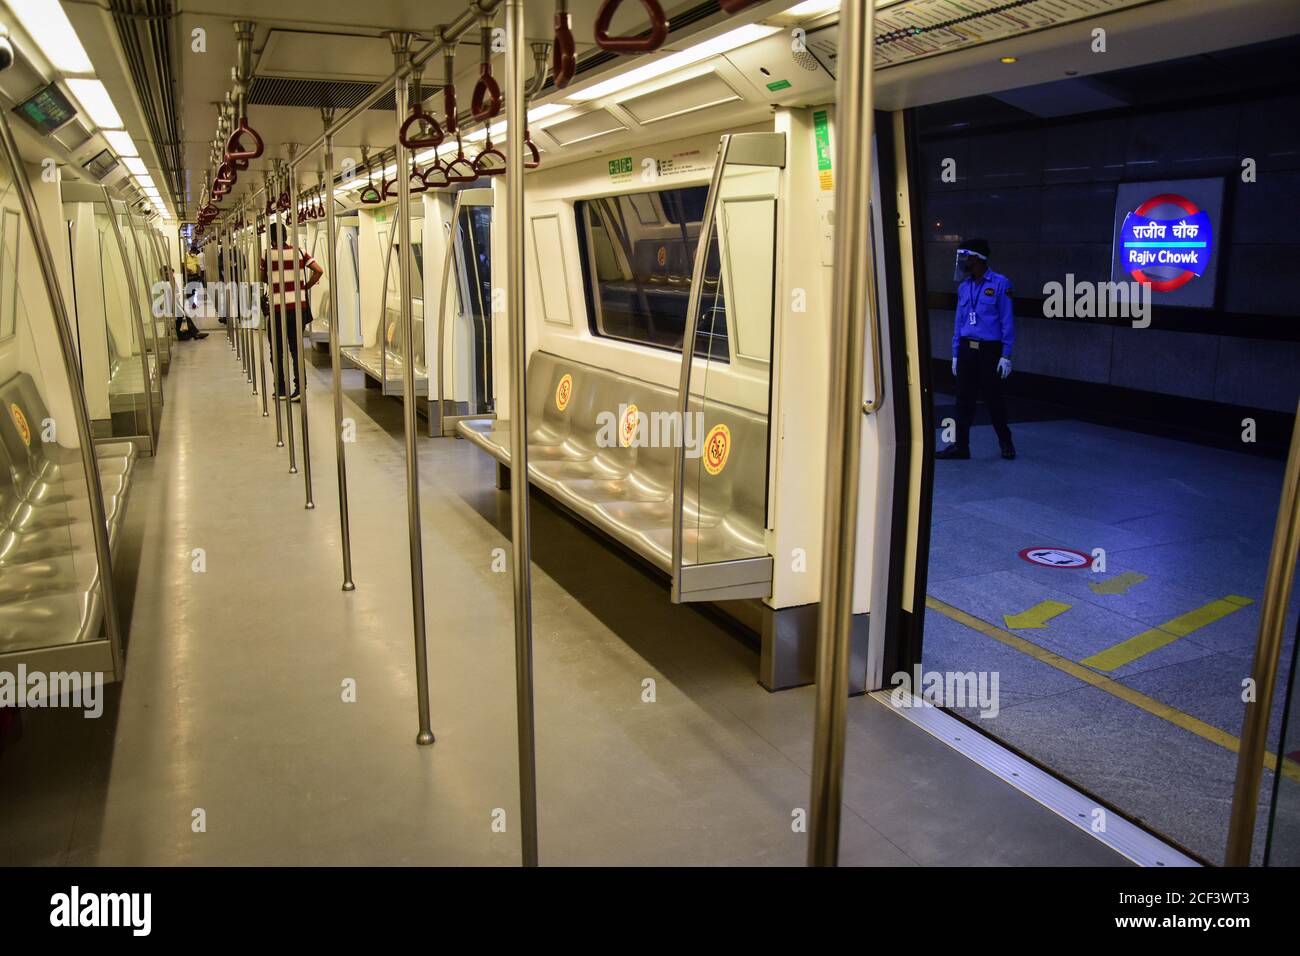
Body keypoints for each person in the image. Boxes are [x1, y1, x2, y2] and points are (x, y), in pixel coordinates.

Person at [936, 238, 1016, 460]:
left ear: (978, 259)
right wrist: (954, 353)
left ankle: (1005, 441)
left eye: (967, 258)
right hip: (966, 350)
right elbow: (959, 322)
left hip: (989, 350)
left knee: (993, 398)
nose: (964, 263)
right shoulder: (964, 287)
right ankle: (961, 446)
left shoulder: (1000, 284)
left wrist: (1005, 355)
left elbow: (1007, 321)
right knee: (963, 399)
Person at [261, 224, 323, 401]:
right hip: (298, 309)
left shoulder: (267, 254)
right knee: (296, 350)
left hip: (277, 310)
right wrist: (304, 287)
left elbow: (263, 278)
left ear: (271, 238)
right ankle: (300, 389)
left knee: (277, 350)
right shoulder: (300, 252)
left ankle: (280, 388)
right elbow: (319, 271)